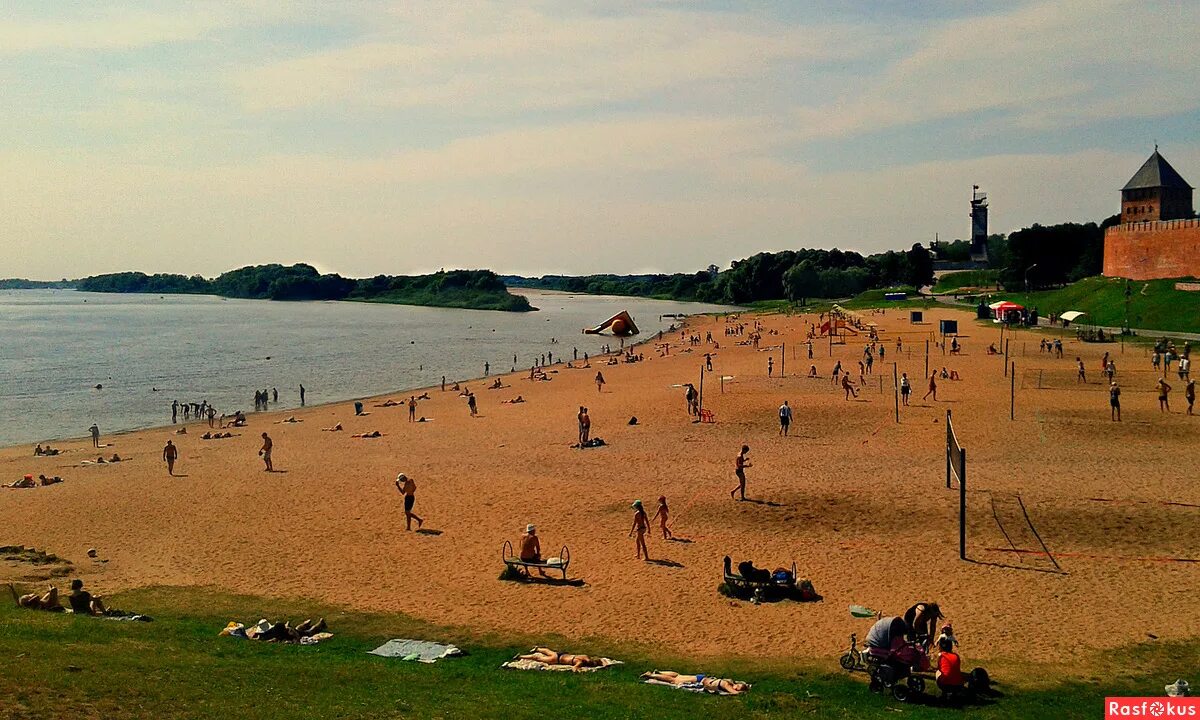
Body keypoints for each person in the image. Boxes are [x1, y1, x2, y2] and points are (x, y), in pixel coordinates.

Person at [639, 671, 750, 695]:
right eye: (738, 687)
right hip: (698, 681)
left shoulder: (729, 681)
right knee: (674, 681)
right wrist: (744, 693)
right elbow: (734, 693)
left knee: (678, 675)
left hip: (701, 678)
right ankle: (652, 675)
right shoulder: (727, 685)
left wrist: (746, 687)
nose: (736, 688)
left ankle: (659, 672)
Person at [518, 647, 605, 670]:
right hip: (557, 660)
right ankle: (520, 656)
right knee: (538, 658)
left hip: (562, 654)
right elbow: (574, 668)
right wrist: (578, 670)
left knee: (548, 651)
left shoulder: (584, 656)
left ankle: (537, 649)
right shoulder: (580, 662)